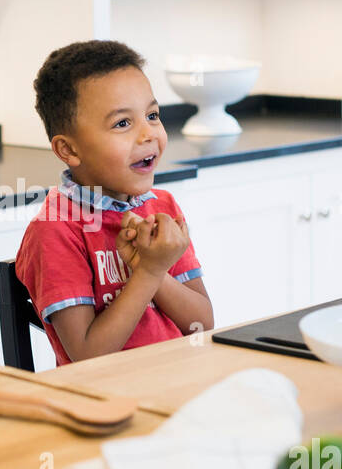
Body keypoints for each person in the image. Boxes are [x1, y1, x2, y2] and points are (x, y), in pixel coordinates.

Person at [14, 40, 213, 365]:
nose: (147, 133)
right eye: (123, 123)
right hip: (104, 401)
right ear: (69, 150)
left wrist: (156, 269)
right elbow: (88, 356)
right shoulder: (55, 230)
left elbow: (201, 325)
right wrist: (147, 271)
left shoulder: (162, 207)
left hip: (177, 380)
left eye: (152, 115)